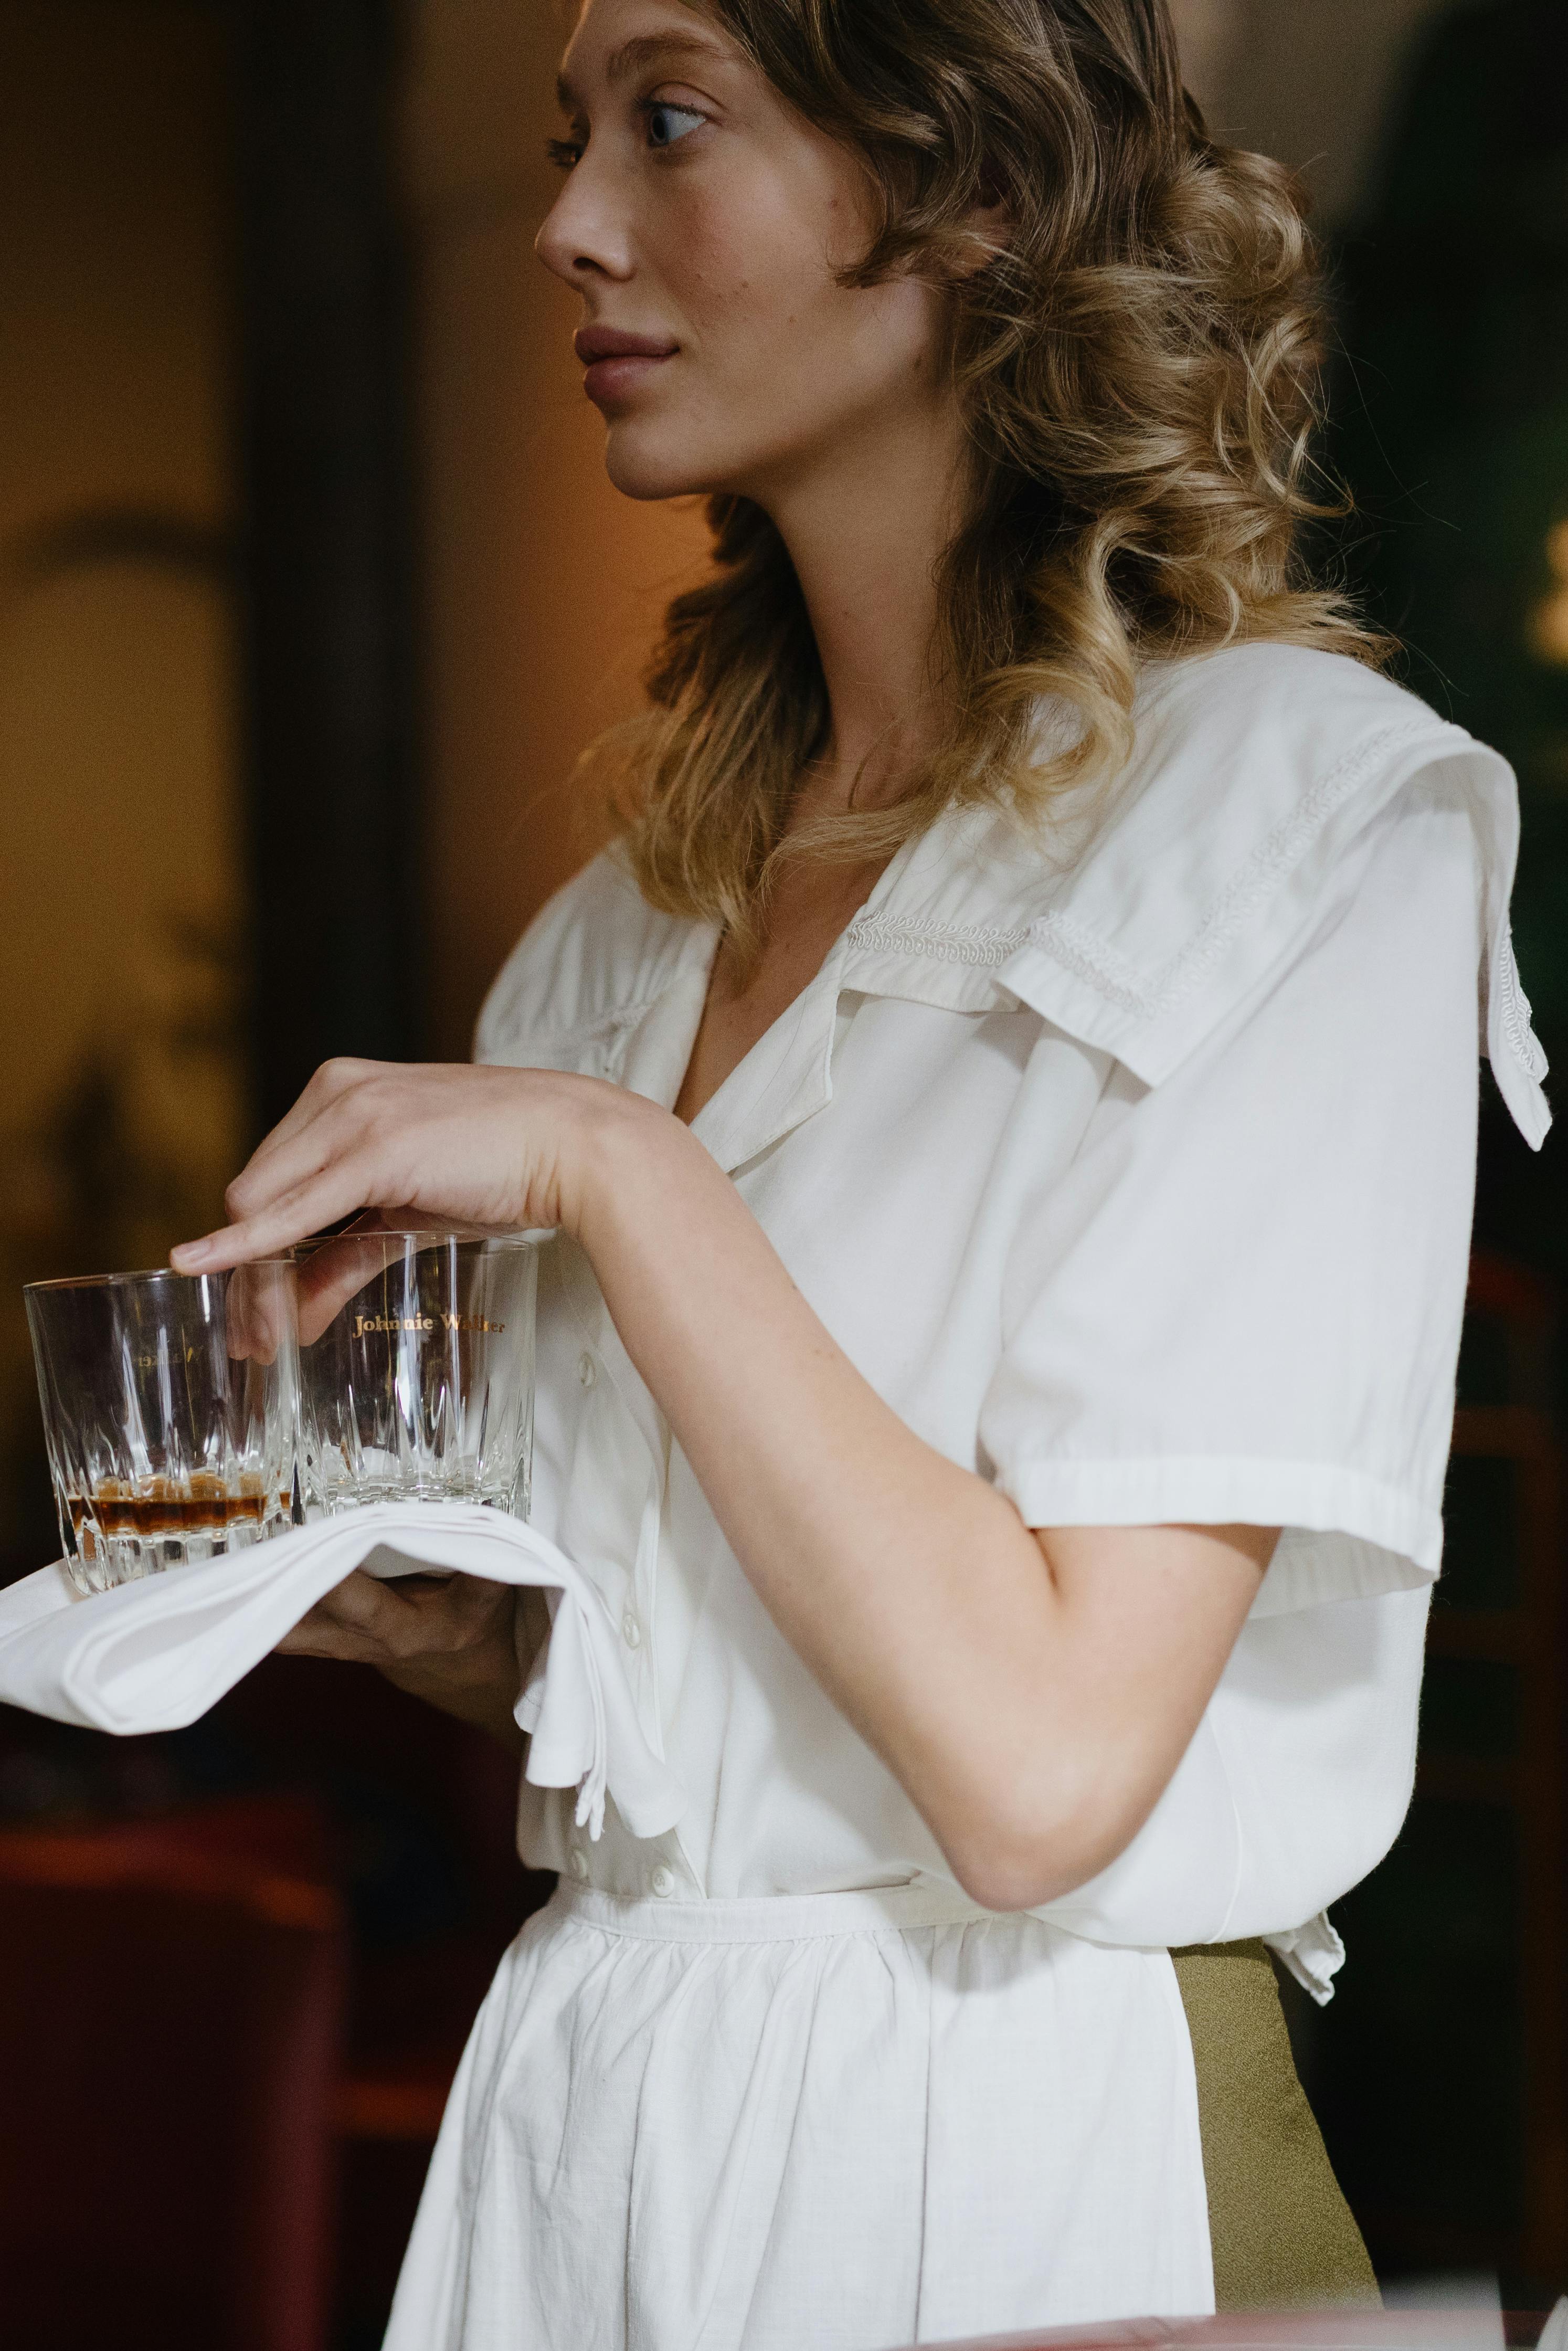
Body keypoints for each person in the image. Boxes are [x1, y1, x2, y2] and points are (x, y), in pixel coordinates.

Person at [172, 0, 1551, 2341]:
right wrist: (481, 1634)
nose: (570, 222)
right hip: (586, 2130)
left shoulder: (1310, 826)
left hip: (1030, 2157)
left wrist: (622, 1174)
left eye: (674, 121)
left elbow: (1033, 1775)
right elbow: (721, 1687)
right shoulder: (612, 936)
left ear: (976, 188)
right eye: (570, 133)